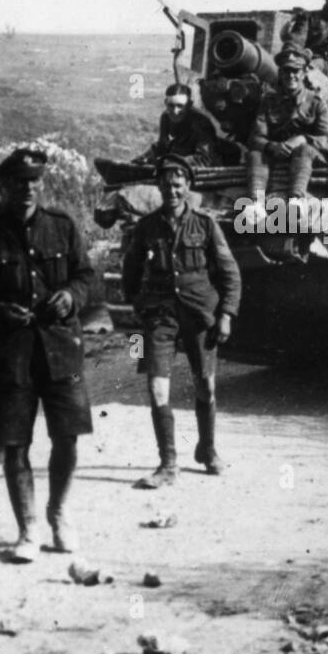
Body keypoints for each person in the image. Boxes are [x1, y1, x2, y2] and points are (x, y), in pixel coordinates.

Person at [0, 148, 96, 563]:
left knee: (66, 438)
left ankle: (59, 512)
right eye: (18, 182)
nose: (27, 188)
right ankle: (27, 528)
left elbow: (86, 276)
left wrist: (70, 296)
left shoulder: (61, 227)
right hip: (10, 354)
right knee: (15, 444)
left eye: (34, 181)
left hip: (60, 349)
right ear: (3, 186)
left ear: (41, 184)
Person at [121, 156, 241, 488]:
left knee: (206, 385)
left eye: (178, 185)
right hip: (160, 315)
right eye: (166, 185)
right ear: (158, 187)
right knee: (158, 388)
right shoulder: (146, 227)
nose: (171, 191)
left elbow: (229, 272)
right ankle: (168, 464)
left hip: (199, 314)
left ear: (187, 187)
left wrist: (227, 314)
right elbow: (130, 270)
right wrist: (138, 305)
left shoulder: (205, 224)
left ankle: (207, 449)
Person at [244, 47, 328, 209]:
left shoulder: (316, 103)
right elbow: (255, 138)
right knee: (255, 154)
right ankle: (255, 203)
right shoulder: (269, 101)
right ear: (281, 74)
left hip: (308, 157)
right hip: (275, 154)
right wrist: (272, 145)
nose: (291, 76)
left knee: (304, 149)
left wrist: (303, 139)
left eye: (295, 71)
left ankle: (296, 200)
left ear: (304, 73)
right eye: (286, 71)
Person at [135, 83, 222, 169]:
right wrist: (144, 158)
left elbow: (205, 159)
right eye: (171, 105)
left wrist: (171, 163)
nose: (175, 111)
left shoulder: (201, 123)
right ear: (165, 103)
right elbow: (162, 146)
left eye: (180, 106)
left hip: (204, 172)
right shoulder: (166, 117)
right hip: (176, 164)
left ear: (189, 105)